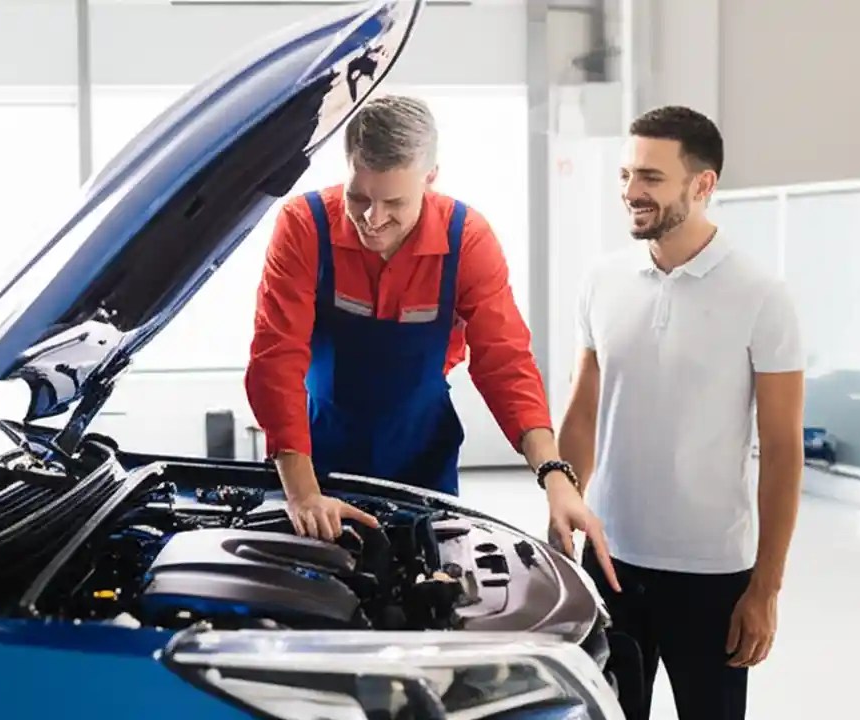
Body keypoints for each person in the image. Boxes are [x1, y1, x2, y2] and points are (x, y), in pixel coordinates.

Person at [245, 94, 619, 590]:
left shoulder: (467, 238)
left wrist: (555, 475)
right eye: (360, 197)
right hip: (318, 454)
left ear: (431, 177)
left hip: (424, 458)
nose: (372, 219)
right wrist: (302, 492)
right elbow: (277, 357)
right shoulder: (304, 226)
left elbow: (505, 362)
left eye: (394, 203)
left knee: (428, 599)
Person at [558, 105, 805, 720]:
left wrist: (766, 589)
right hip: (609, 558)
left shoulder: (761, 294)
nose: (630, 193)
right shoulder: (602, 279)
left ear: (703, 185)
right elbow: (584, 407)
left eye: (650, 177)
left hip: (713, 574)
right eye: (624, 176)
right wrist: (564, 503)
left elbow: (781, 449)